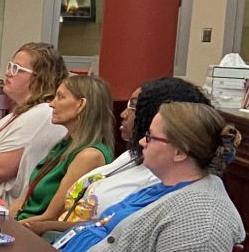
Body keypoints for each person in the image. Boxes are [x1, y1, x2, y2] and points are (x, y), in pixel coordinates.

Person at [59, 101, 244, 252]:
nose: (141, 142)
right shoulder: (165, 188)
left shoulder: (203, 211)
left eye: (150, 137)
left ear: (180, 152)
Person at [52, 76, 214, 234]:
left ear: (154, 114)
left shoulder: (162, 177)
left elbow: (110, 228)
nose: (123, 114)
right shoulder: (132, 155)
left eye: (134, 106)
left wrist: (45, 226)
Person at [0, 42, 66, 202]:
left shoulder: (44, 113)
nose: (8, 73)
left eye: (17, 69)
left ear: (40, 78)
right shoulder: (21, 113)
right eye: (10, 66)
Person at [15, 74, 116, 227]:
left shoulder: (89, 156)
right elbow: (23, 202)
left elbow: (51, 217)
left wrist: (6, 228)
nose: (51, 104)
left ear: (81, 104)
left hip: (37, 233)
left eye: (60, 97)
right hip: (22, 224)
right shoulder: (64, 145)